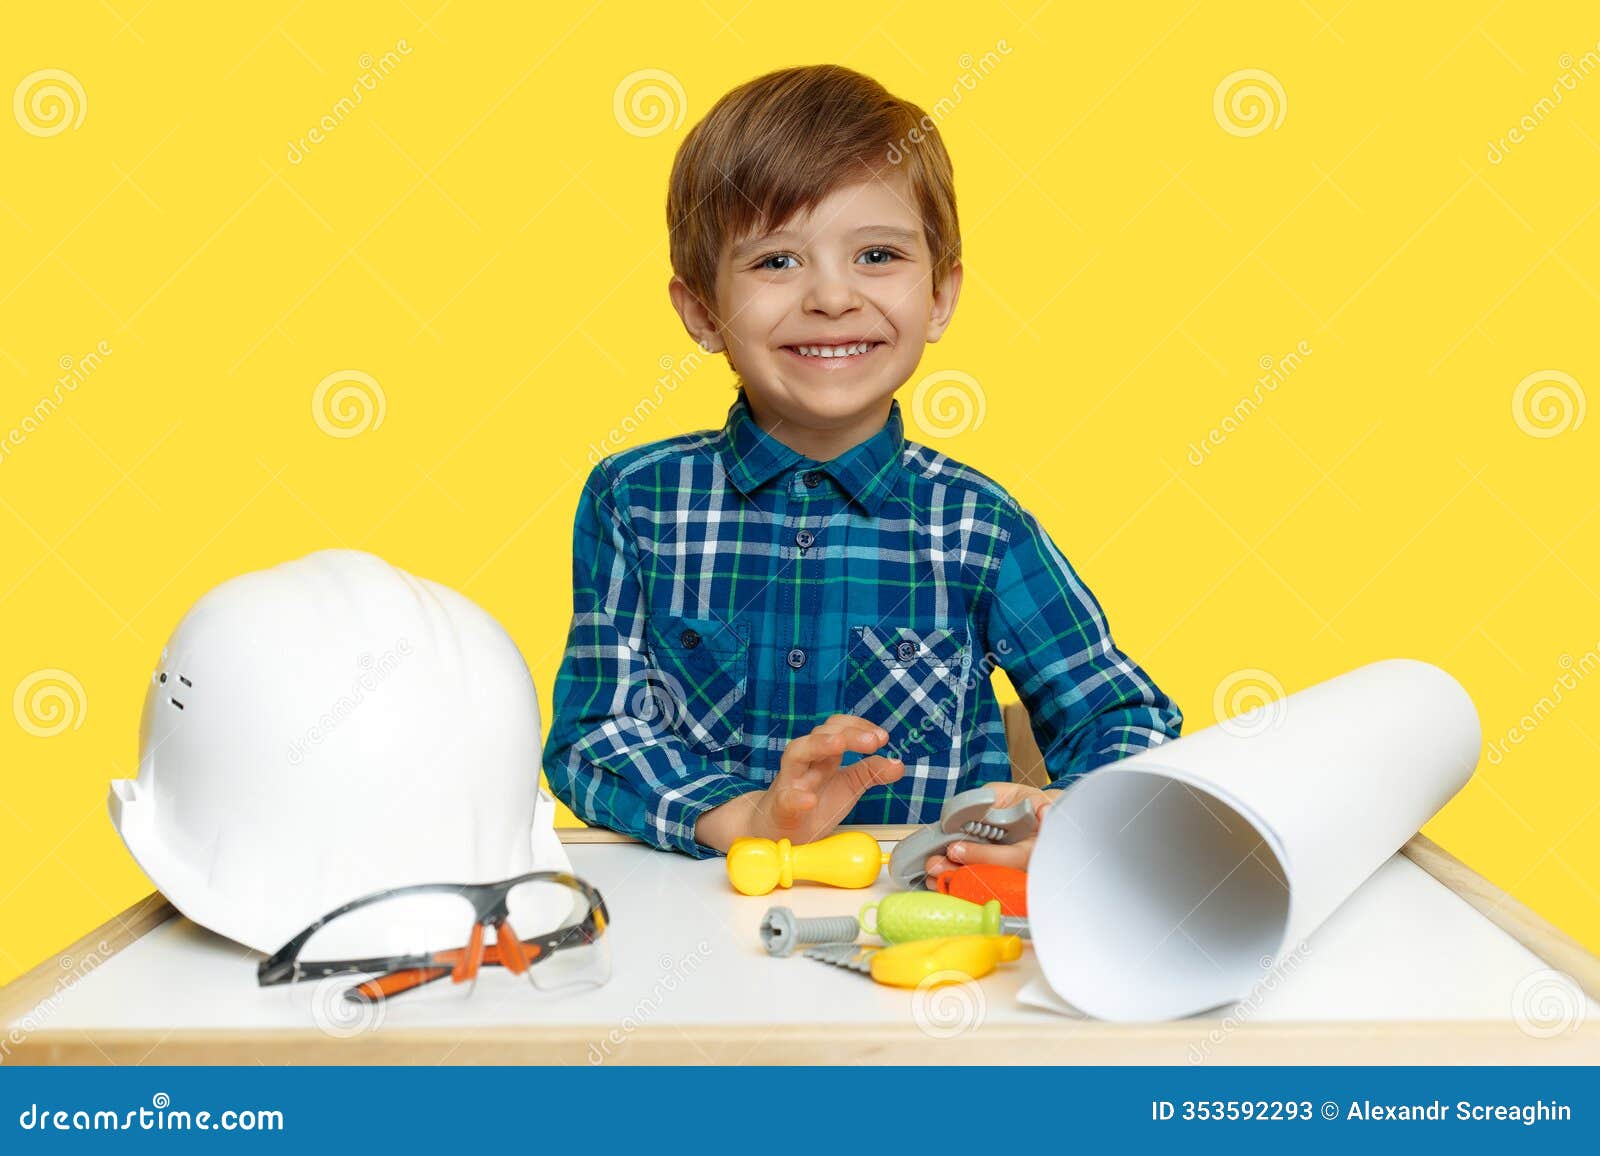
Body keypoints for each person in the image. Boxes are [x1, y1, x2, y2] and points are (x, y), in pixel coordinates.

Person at [543, 65, 1182, 880]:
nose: (833, 297)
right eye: (777, 262)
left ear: (941, 295)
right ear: (703, 311)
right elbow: (594, 736)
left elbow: (1124, 716)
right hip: (702, 922)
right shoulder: (637, 503)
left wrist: (1070, 819)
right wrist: (745, 816)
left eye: (877, 254)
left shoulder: (976, 525)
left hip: (924, 925)